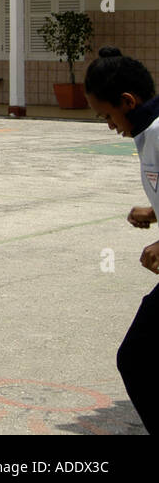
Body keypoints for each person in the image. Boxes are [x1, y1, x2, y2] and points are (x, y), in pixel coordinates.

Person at [84, 46, 159, 433]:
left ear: (128, 102)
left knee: (137, 358)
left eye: (107, 116)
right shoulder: (149, 131)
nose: (109, 125)